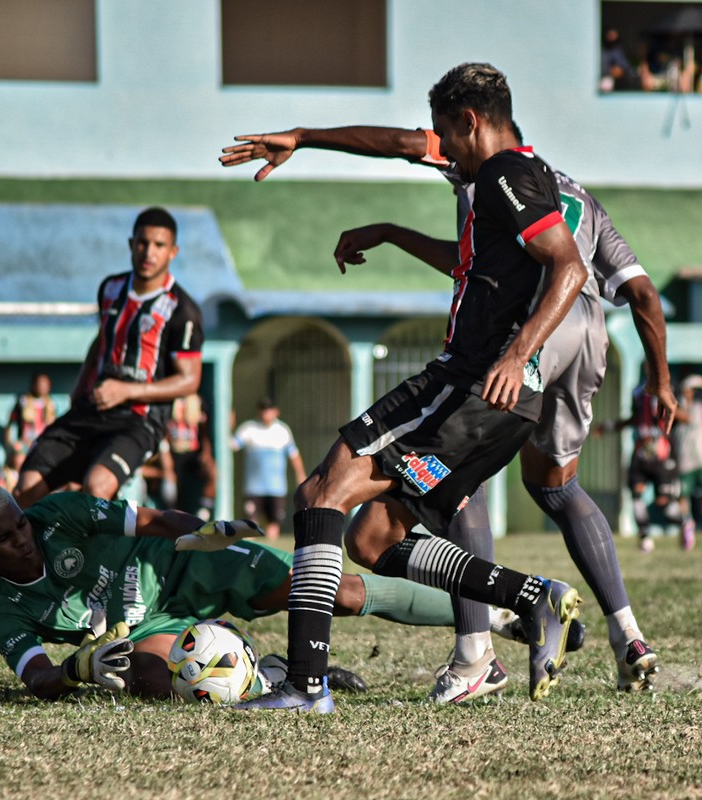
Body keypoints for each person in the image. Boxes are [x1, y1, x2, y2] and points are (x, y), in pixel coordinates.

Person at [220, 102, 674, 700]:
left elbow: (401, 145)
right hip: (583, 335)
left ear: (471, 123)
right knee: (412, 525)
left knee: (345, 486)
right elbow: (640, 293)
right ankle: (614, 630)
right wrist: (660, 379)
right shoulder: (575, 196)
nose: (437, 146)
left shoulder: (491, 171)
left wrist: (306, 137)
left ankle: (465, 653)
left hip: (513, 347)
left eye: (444, 133)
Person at [0, 483, 467, 701]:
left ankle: (482, 615)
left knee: (335, 593)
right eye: (4, 539)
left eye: (20, 525)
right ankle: (270, 675)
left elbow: (154, 520)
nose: (23, 539)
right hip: (149, 626)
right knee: (154, 679)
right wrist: (76, 669)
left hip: (181, 562)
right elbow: (38, 679)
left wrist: (202, 533)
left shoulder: (57, 513)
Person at [13, 208, 203, 510]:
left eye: (159, 245)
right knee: (26, 488)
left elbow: (190, 380)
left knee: (96, 487)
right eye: (142, 243)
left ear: (173, 252)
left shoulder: (183, 310)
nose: (149, 252)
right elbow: (103, 340)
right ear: (131, 244)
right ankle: (40, 544)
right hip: (90, 411)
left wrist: (126, 390)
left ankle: (101, 540)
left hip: (139, 421)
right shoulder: (110, 288)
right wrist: (80, 389)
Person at [606, 379, 684, 553]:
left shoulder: (671, 387)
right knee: (636, 495)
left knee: (663, 503)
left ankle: (684, 523)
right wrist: (611, 426)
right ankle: (644, 537)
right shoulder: (638, 390)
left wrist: (671, 409)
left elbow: (685, 416)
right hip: (641, 454)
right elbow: (635, 417)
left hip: (662, 455)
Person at [231, 398, 306, 540]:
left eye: (269, 410)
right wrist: (228, 426)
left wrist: (300, 475)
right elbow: (232, 445)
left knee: (274, 522)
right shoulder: (249, 429)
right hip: (253, 488)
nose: (266, 413)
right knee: (251, 522)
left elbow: (294, 455)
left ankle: (270, 547)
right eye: (263, 410)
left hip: (276, 488)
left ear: (276, 412)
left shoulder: (282, 430)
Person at [673, 375, 702, 534]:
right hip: (685, 459)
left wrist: (701, 382)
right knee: (683, 494)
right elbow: (685, 417)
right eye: (687, 390)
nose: (690, 393)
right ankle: (686, 524)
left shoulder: (699, 406)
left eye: (692, 390)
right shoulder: (675, 406)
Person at [167, 393, 217, 520]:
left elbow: (204, 430)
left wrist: (206, 452)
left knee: (212, 472)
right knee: (171, 484)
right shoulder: (169, 399)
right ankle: (170, 518)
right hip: (172, 451)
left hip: (192, 452)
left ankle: (204, 510)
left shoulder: (198, 401)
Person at [5, 372, 57, 459]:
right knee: (19, 459)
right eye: (40, 384)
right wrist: (9, 444)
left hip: (44, 442)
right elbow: (11, 422)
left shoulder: (51, 404)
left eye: (45, 384)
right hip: (26, 443)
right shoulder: (24, 402)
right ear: (34, 385)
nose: (43, 387)